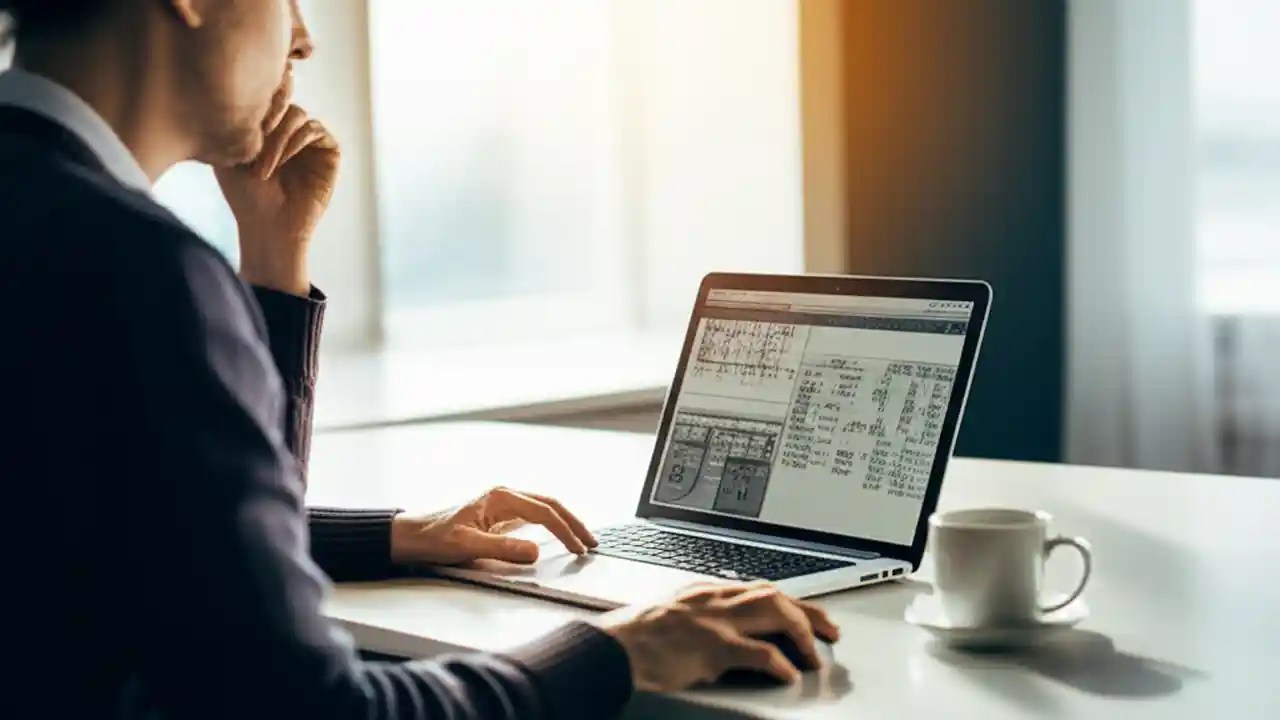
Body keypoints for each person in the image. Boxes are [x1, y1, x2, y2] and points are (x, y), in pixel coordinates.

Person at [0, 1, 841, 718]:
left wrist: (392, 537)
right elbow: (310, 708)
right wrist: (619, 650)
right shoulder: (138, 270)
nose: (302, 37)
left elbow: (129, 540)